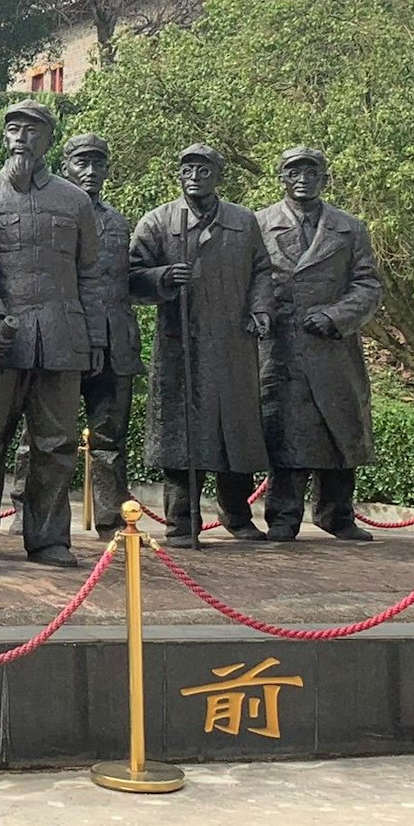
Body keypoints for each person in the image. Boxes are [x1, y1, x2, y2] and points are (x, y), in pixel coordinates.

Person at [0, 102, 102, 565]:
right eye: (14, 129)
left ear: (48, 140)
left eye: (32, 131)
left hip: (61, 338)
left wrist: (94, 337)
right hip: (2, 341)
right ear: (5, 137)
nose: (21, 138)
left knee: (56, 445)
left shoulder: (74, 201)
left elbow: (90, 274)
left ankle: (49, 538)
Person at [128, 144, 274, 541]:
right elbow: (130, 275)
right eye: (187, 169)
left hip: (233, 344)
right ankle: (181, 522)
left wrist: (261, 309)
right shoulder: (158, 221)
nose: (194, 176)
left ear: (218, 176)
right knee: (182, 438)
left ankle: (237, 517)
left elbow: (262, 270)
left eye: (204, 170)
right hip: (182, 346)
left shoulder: (243, 221)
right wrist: (162, 277)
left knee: (235, 435)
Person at [255, 147, 384, 542]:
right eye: (294, 172)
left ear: (324, 179)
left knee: (338, 429)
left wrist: (335, 316)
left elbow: (368, 285)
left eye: (311, 172)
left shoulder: (350, 228)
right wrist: (261, 313)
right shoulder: (258, 224)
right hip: (281, 347)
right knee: (286, 431)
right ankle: (283, 515)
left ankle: (337, 514)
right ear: (281, 177)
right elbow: (249, 280)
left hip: (332, 347)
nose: (303, 179)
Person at [58, 132, 145, 537]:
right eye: (82, 163)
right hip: (68, 341)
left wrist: (160, 280)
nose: (91, 171)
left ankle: (112, 519)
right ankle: (33, 516)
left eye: (98, 163)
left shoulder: (118, 222)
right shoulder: (55, 215)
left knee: (111, 437)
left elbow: (126, 280)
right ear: (66, 168)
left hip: (115, 344)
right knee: (48, 435)